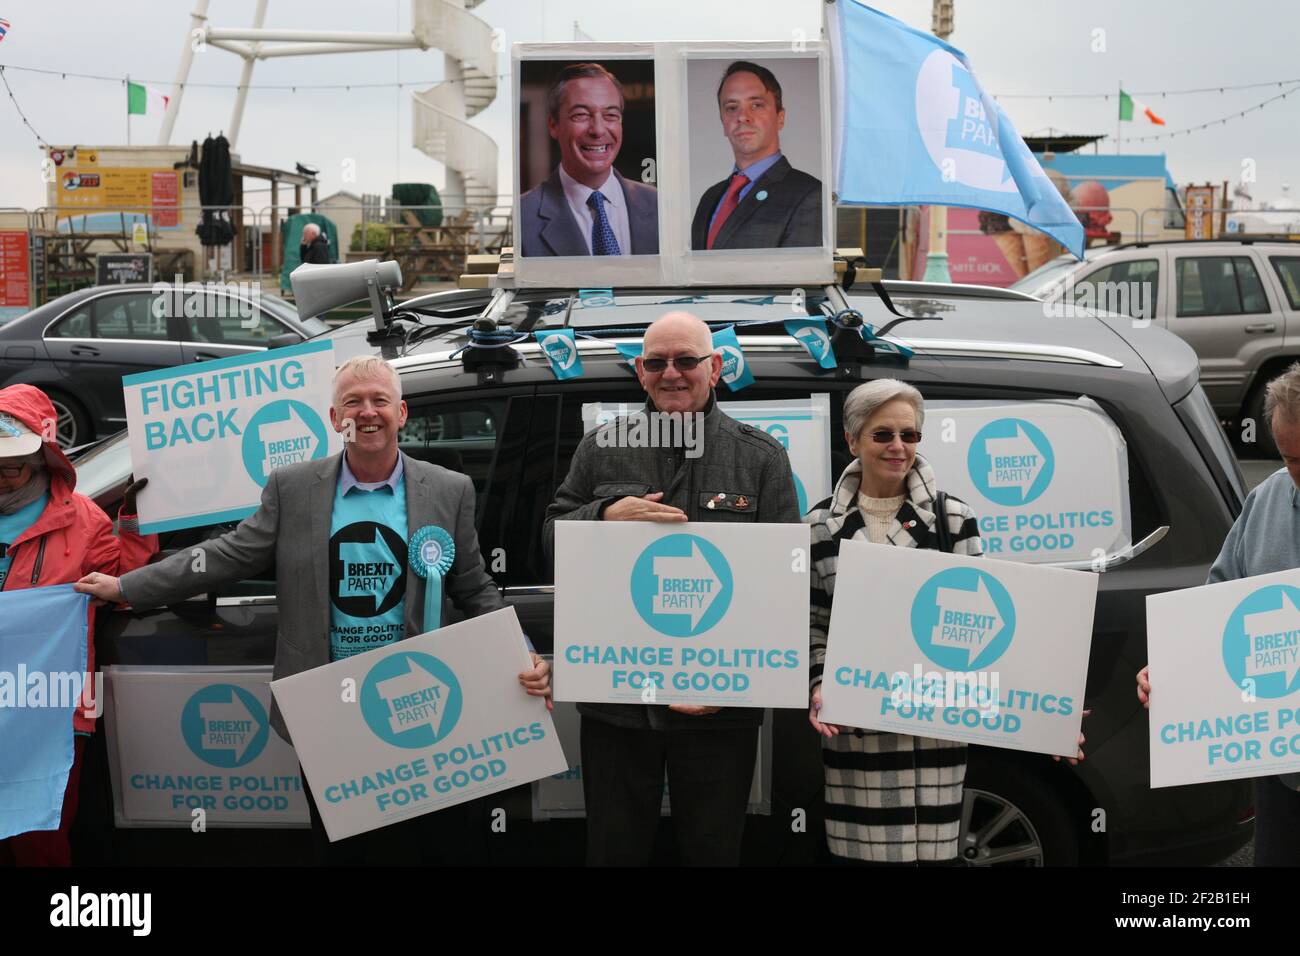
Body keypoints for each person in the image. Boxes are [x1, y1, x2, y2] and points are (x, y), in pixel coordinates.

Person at [77, 355, 551, 865]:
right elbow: (228, 554)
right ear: (333, 418)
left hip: (418, 698)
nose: (367, 412)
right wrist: (128, 585)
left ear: (403, 412)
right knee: (342, 847)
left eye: (379, 401)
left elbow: (474, 586)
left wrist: (521, 651)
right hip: (328, 704)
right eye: (353, 402)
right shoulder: (293, 487)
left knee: (426, 845)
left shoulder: (448, 489)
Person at [544, 311, 799, 865]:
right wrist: (602, 514)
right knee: (614, 852)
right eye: (657, 362)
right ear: (639, 371)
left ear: (716, 367)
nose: (672, 374)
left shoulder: (760, 457)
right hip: (619, 706)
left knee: (712, 852)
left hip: (718, 708)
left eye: (686, 360)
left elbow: (784, 585)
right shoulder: (602, 448)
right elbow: (551, 539)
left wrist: (732, 685)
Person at [807, 379, 1085, 865]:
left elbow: (988, 626)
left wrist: (1047, 711)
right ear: (852, 441)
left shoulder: (953, 518)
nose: (899, 447)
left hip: (934, 732)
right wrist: (818, 683)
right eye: (883, 435)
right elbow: (812, 621)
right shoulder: (816, 526)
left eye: (909, 435)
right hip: (856, 733)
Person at [1136, 362, 1300, 866]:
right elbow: (1218, 605)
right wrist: (1173, 670)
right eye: (1292, 458)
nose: (1299, 472)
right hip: (1282, 771)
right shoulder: (1268, 498)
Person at [0, 384, 157, 867]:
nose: (2, 478)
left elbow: (128, 586)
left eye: (14, 465)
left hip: (48, 714)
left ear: (46, 457)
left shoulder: (85, 521)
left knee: (35, 841)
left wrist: (135, 520)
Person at [519, 62, 659, 257]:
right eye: (581, 115)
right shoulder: (523, 216)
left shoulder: (658, 205)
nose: (598, 130)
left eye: (610, 115)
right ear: (553, 125)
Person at [690, 60, 822, 251]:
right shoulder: (710, 198)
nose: (743, 116)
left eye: (757, 105)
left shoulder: (810, 195)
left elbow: (800, 279)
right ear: (723, 122)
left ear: (780, 118)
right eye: (732, 107)